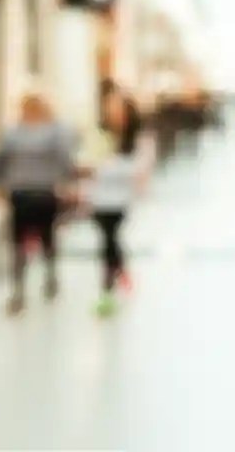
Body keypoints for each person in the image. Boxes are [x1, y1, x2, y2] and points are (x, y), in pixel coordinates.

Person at [0, 92, 79, 315]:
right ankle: (49, 277)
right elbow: (65, 160)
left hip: (23, 192)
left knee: (19, 243)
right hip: (42, 192)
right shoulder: (54, 132)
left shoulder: (14, 133)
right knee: (46, 238)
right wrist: (68, 180)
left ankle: (20, 290)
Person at [88, 88, 149, 317]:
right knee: (110, 240)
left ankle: (107, 290)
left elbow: (138, 169)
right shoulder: (99, 135)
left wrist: (108, 167)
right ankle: (121, 271)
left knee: (109, 240)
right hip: (98, 197)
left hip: (121, 199)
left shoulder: (137, 137)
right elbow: (90, 164)